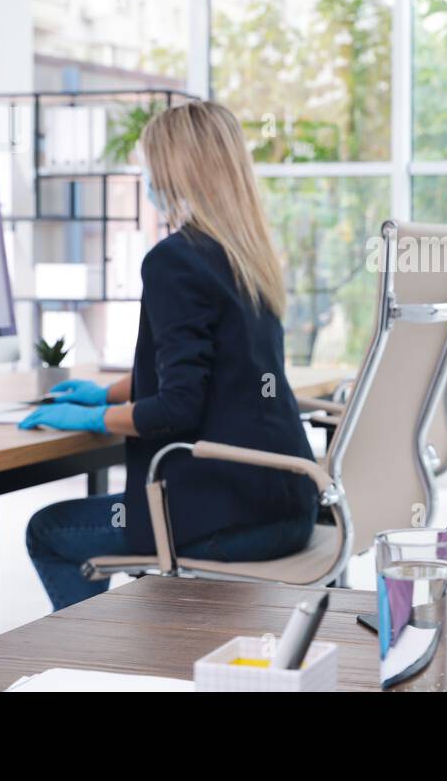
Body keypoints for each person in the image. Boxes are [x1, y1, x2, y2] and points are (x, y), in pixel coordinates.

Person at [19, 100, 319, 610]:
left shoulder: (174, 260)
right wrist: (107, 393)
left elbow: (179, 407)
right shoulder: (249, 257)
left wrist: (95, 419)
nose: (146, 177)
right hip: (290, 506)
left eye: (150, 164)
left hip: (233, 517)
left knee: (50, 530)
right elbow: (212, 373)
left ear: (175, 169)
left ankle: (79, 664)